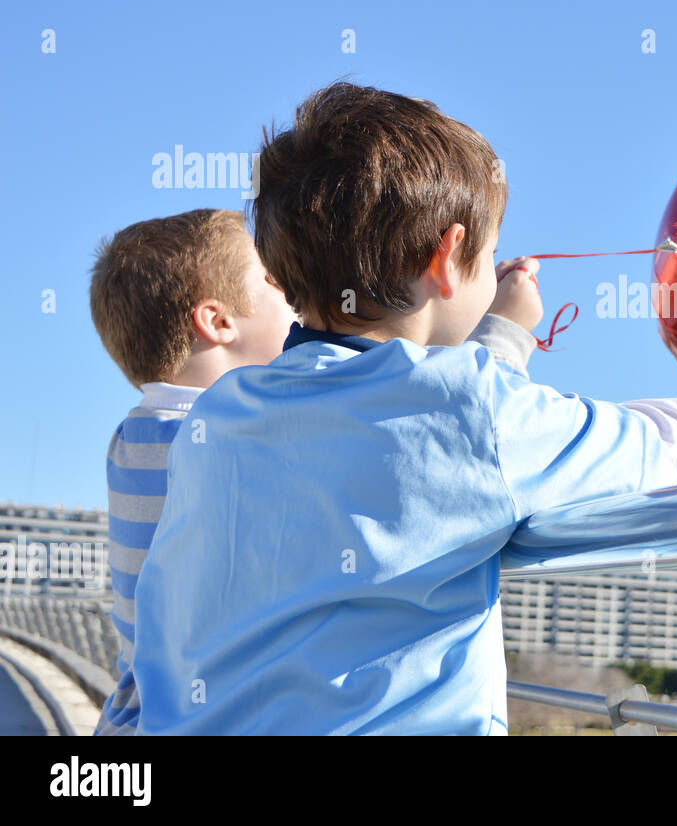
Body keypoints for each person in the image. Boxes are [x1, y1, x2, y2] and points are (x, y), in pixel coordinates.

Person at [130, 83, 677, 734]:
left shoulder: (223, 416)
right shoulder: (470, 413)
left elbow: (414, 425)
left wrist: (501, 337)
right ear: (447, 256)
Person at [89, 207, 535, 734]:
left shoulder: (133, 439)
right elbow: (432, 442)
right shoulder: (221, 439)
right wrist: (499, 338)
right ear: (217, 321)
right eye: (275, 282)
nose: (298, 295)